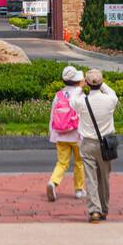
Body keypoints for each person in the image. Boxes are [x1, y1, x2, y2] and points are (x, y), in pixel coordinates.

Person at [67, 67, 119, 223]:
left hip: (88, 144)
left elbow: (72, 100)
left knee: (90, 179)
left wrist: (80, 86)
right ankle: (104, 209)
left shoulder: (82, 101)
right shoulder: (110, 100)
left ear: (87, 83)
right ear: (101, 82)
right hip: (106, 144)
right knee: (104, 178)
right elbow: (112, 93)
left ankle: (94, 211)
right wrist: (101, 83)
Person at [46, 65, 87, 202]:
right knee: (79, 163)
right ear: (78, 80)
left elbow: (52, 116)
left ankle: (53, 182)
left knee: (62, 163)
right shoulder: (81, 95)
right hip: (77, 135)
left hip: (61, 134)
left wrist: (53, 134)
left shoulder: (58, 95)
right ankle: (79, 190)